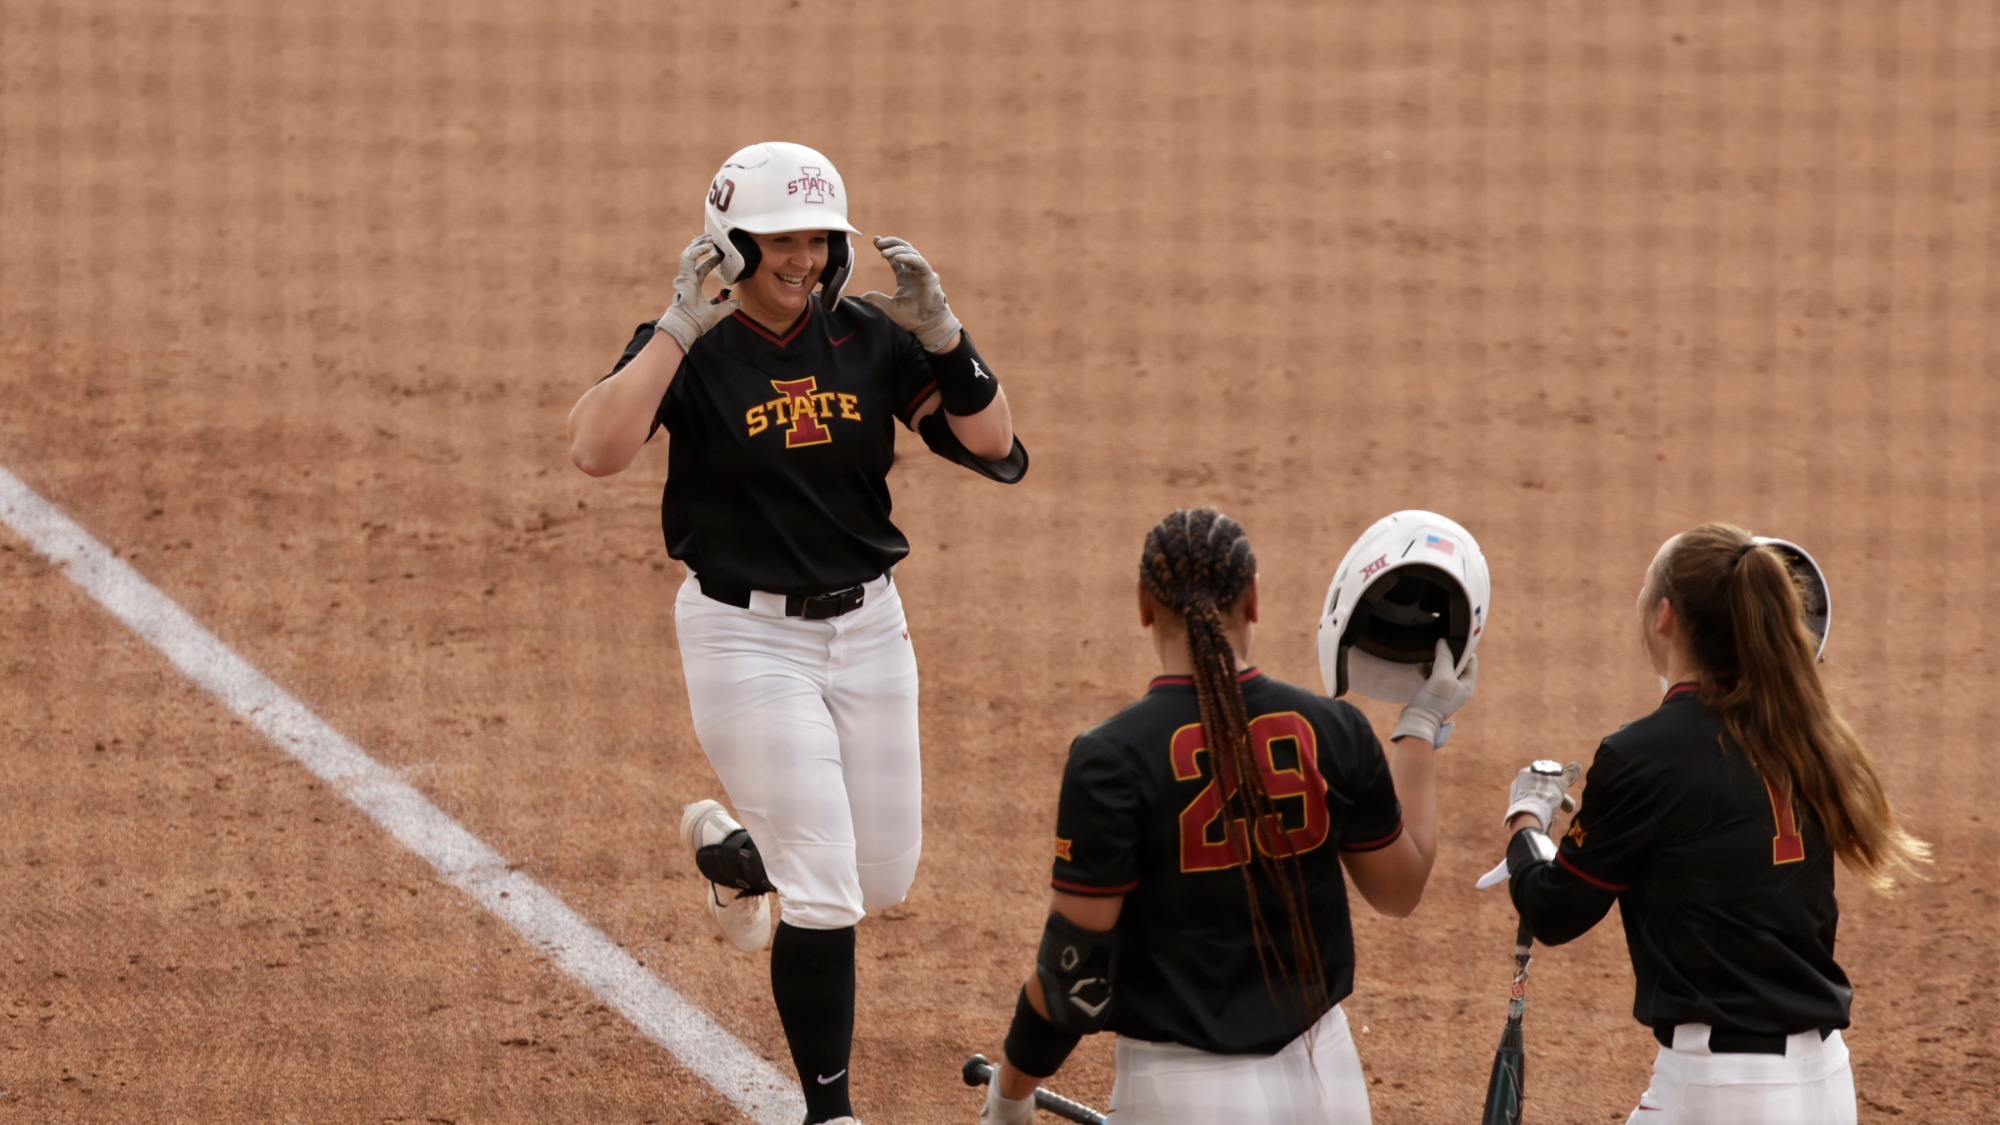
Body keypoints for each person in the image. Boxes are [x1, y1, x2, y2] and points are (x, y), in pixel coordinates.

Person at [566, 140, 1027, 1125]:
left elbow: (993, 445)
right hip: (746, 642)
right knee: (826, 892)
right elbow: (594, 448)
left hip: (869, 627)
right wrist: (675, 331)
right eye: (780, 239)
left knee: (880, 873)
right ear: (730, 243)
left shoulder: (866, 338)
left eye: (817, 238)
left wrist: (944, 337)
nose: (804, 258)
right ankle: (831, 1112)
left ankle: (740, 852)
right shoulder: (690, 348)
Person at [978, 508, 1478, 1125]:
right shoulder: (1334, 729)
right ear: (1254, 599)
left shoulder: (1112, 758)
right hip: (1330, 1080)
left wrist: (1011, 1092)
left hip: (1183, 1092)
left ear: (1142, 605)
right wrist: (1421, 724)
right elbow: (1401, 889)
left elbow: (1072, 975)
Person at [1496, 523, 1929, 1125]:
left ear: (1664, 615)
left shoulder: (1642, 754)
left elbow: (1554, 910)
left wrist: (1527, 817)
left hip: (1719, 1092)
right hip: (1825, 1084)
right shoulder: (1804, 732)